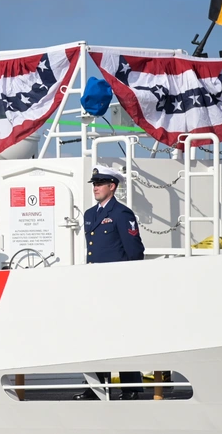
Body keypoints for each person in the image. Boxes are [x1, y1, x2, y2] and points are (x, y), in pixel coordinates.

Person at [74, 165, 145, 401]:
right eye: (94, 184)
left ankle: (131, 387)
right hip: (96, 285)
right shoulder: (89, 215)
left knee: (121, 335)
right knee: (96, 336)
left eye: (100, 183)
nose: (95, 187)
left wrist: (127, 281)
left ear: (112, 186)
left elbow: (135, 251)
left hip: (118, 285)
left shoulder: (121, 214)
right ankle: (96, 386)